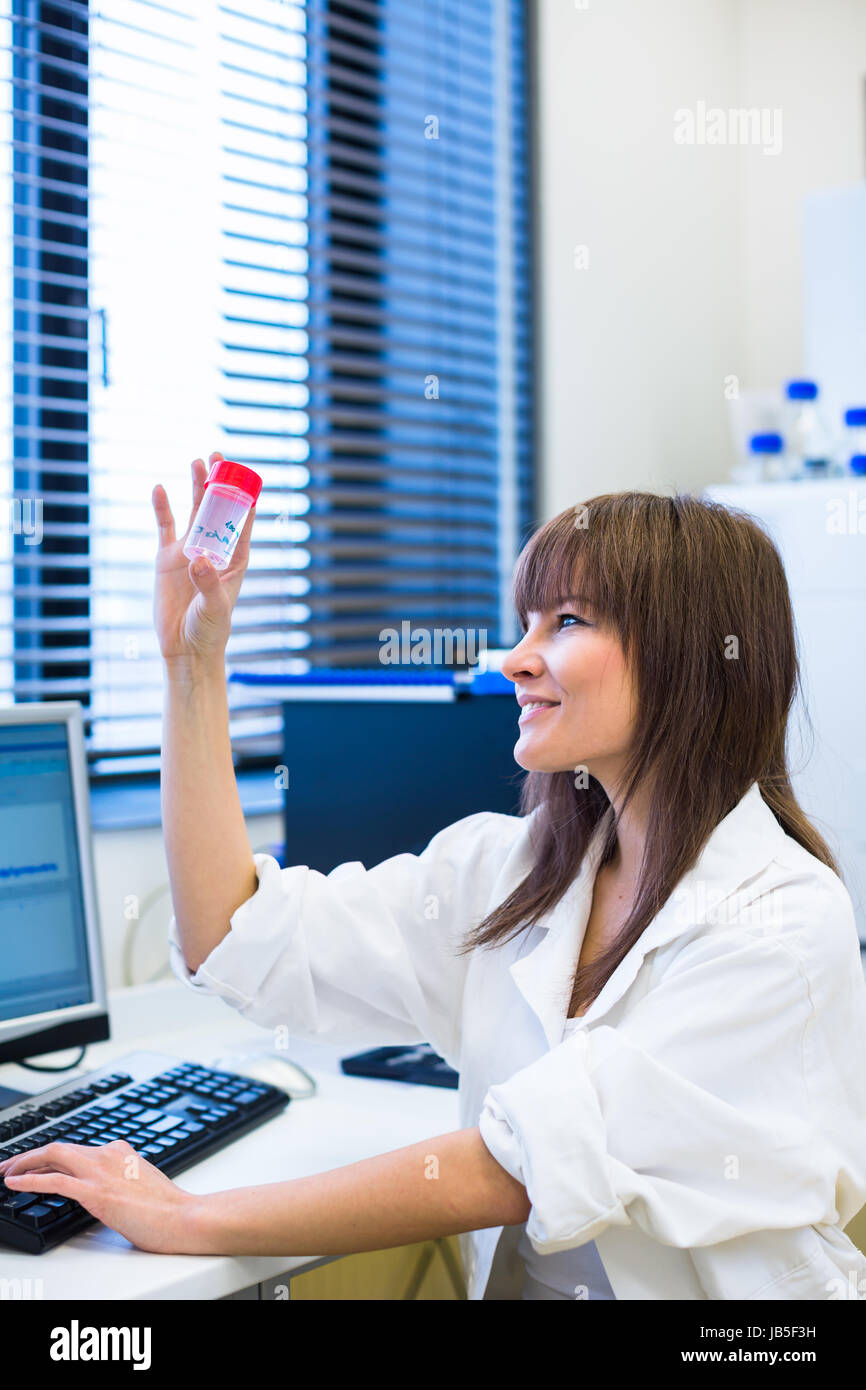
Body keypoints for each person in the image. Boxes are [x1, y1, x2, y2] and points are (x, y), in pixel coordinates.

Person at [2, 457, 866, 1302]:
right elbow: (233, 933)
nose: (513, 661)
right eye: (525, 623)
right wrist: (193, 670)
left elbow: (517, 1164)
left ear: (691, 657)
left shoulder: (781, 921)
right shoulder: (511, 871)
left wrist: (194, 1218)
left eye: (565, 622)